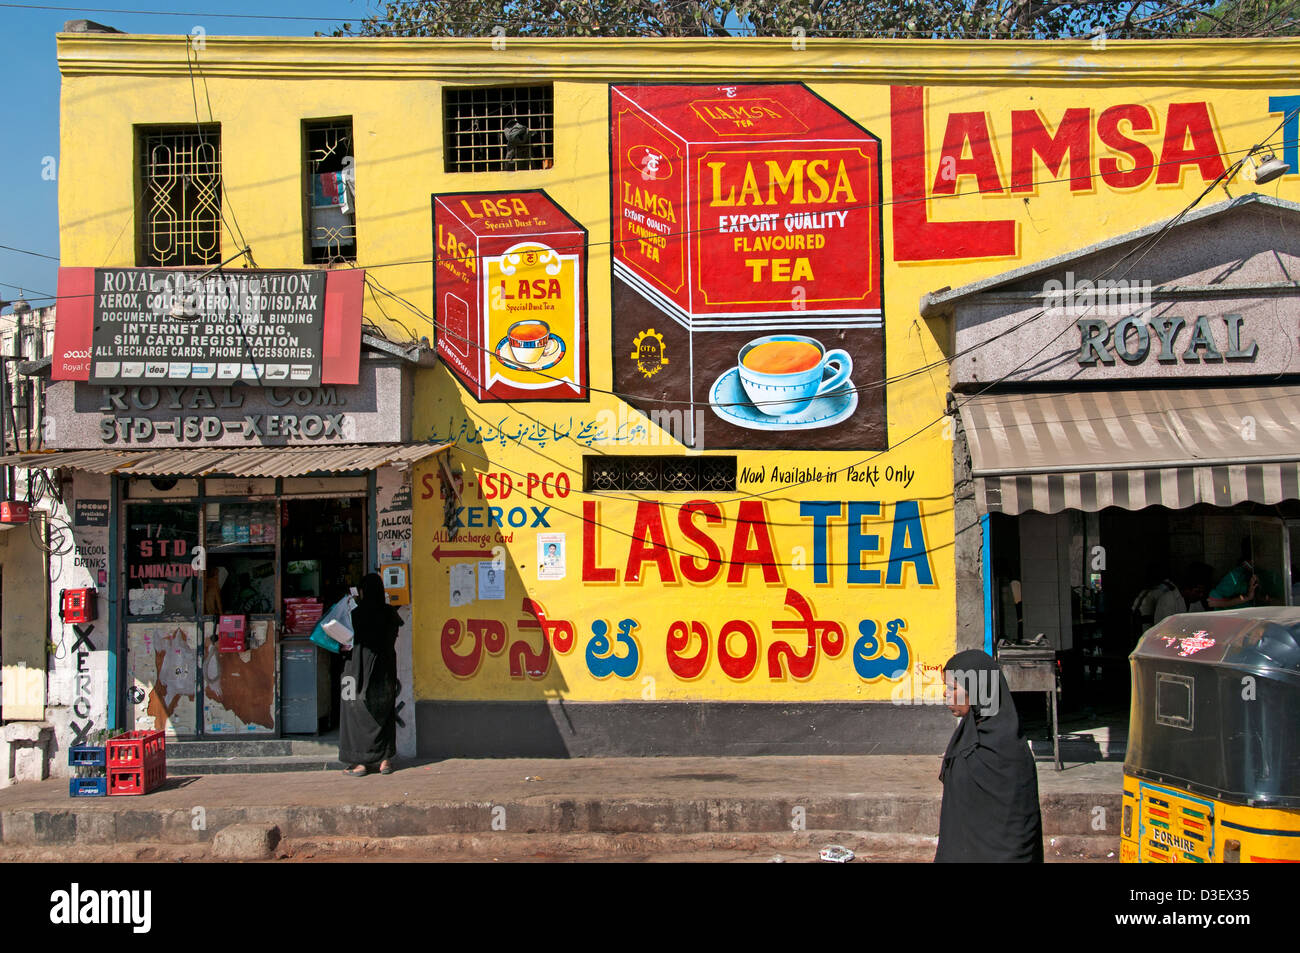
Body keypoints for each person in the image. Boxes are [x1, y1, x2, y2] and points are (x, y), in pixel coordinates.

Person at [935, 650, 1043, 863]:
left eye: (952, 688)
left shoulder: (1006, 751)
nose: (945, 695)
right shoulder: (968, 735)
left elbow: (1018, 828)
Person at [340, 574, 402, 776]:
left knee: (356, 714)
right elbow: (392, 636)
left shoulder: (355, 615)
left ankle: (361, 764)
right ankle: (384, 761)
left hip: (357, 672)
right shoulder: (389, 613)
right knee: (384, 714)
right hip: (384, 672)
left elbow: (345, 642)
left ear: (364, 592)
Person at [1207, 540, 1260, 610]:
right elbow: (1213, 602)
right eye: (1261, 555)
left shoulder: (1258, 574)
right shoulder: (1234, 576)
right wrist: (1247, 597)